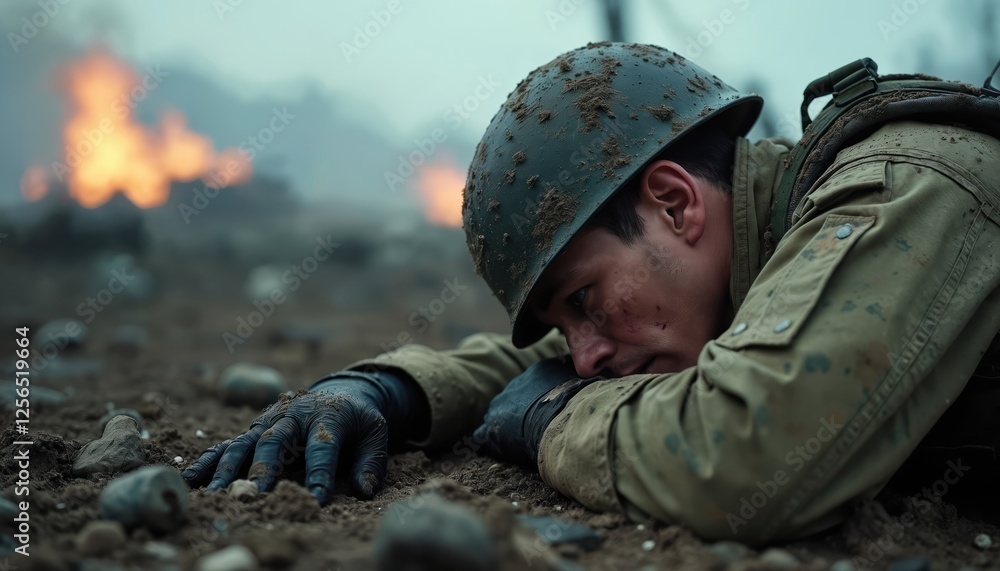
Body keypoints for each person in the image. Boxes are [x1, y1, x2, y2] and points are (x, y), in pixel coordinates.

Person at [183, 42, 1000, 543]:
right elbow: (535, 362)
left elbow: (747, 454)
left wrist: (552, 418)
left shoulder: (903, 187)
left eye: (581, 300)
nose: (585, 356)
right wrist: (385, 391)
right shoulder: (745, 254)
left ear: (675, 202)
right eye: (562, 324)